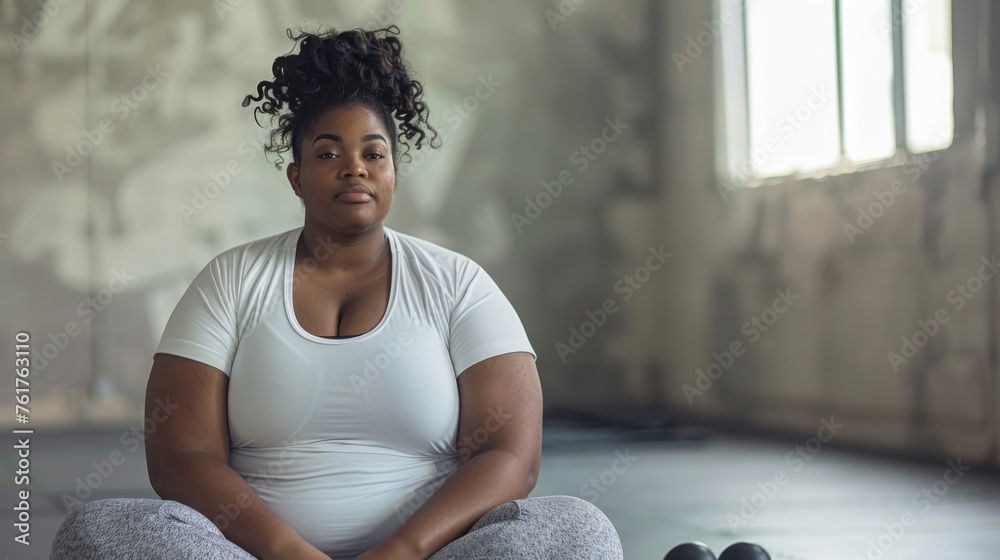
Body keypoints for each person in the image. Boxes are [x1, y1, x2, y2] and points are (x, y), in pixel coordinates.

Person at [50, 25, 624, 560]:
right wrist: (288, 552)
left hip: (429, 556)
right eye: (328, 153)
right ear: (297, 176)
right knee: (98, 531)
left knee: (578, 529)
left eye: (374, 154)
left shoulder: (458, 283)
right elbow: (180, 457)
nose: (355, 168)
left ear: (394, 173)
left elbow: (511, 456)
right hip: (255, 556)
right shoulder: (230, 280)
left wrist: (400, 552)